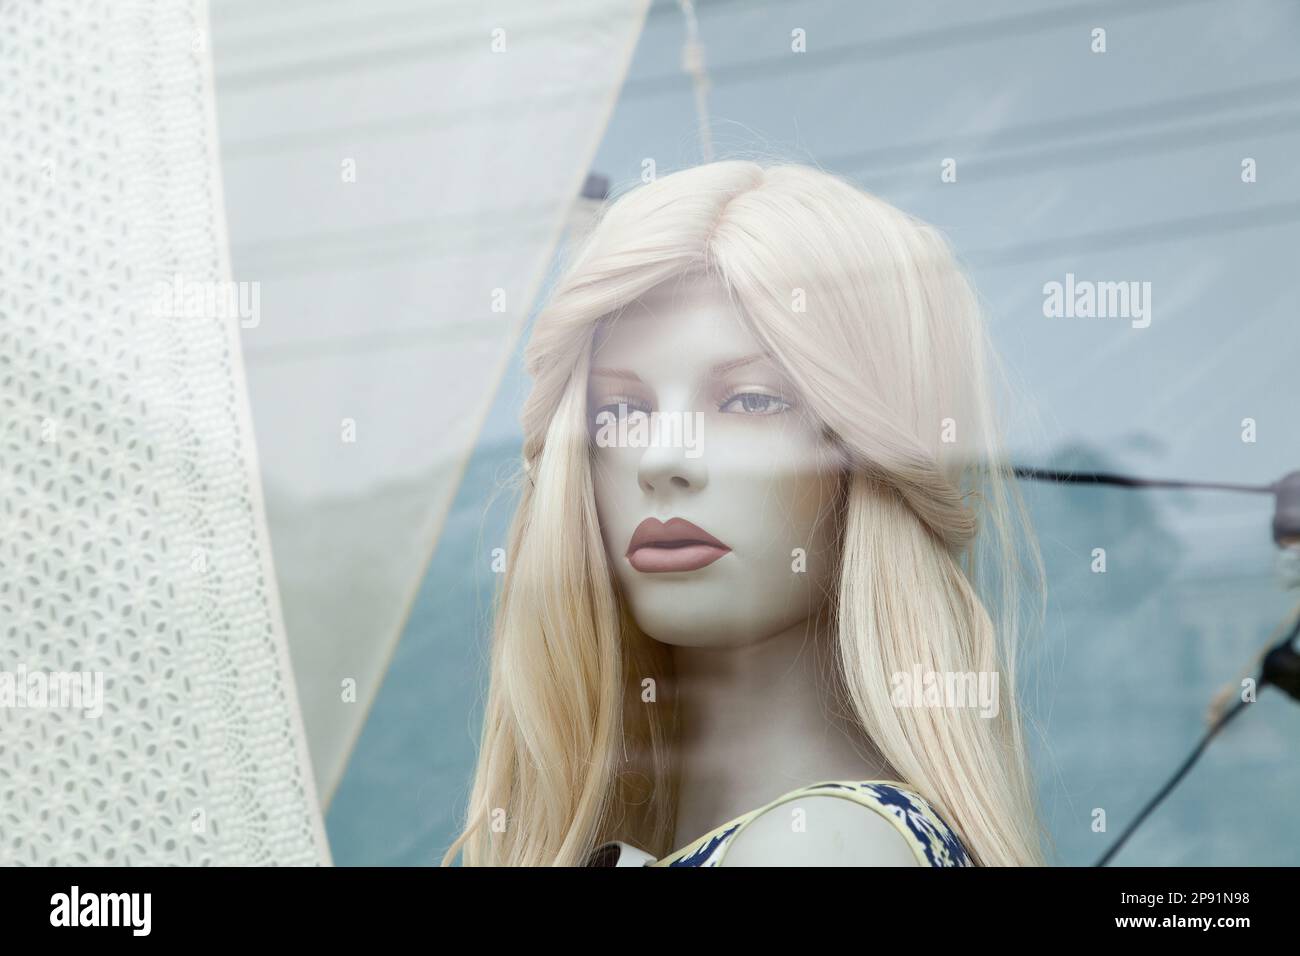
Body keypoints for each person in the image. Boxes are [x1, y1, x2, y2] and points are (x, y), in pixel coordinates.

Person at [443, 161, 1045, 867]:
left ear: (866, 463)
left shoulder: (825, 849)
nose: (662, 458)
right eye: (620, 411)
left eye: (751, 400)